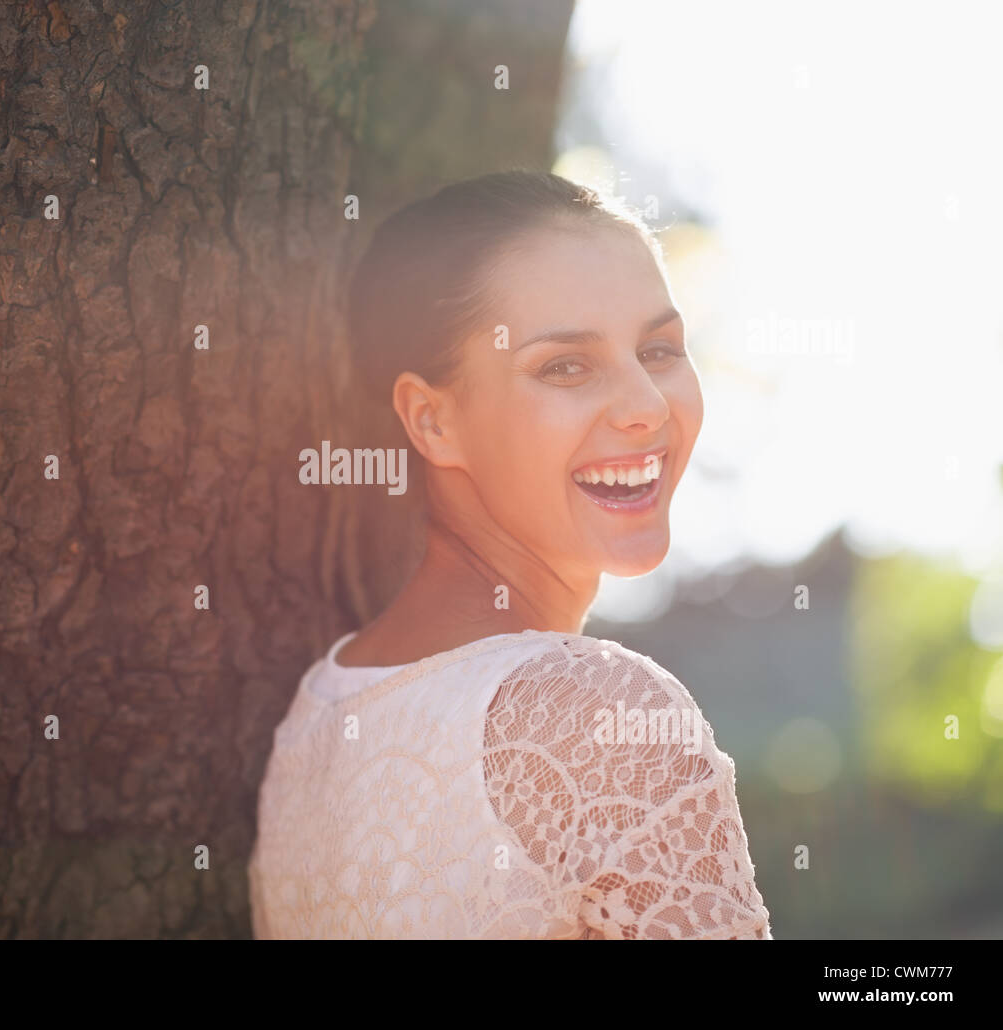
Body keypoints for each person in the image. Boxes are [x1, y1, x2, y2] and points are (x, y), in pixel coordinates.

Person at [248, 169, 772, 939]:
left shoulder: (314, 723)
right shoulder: (597, 713)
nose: (647, 406)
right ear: (432, 422)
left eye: (659, 349)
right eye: (566, 366)